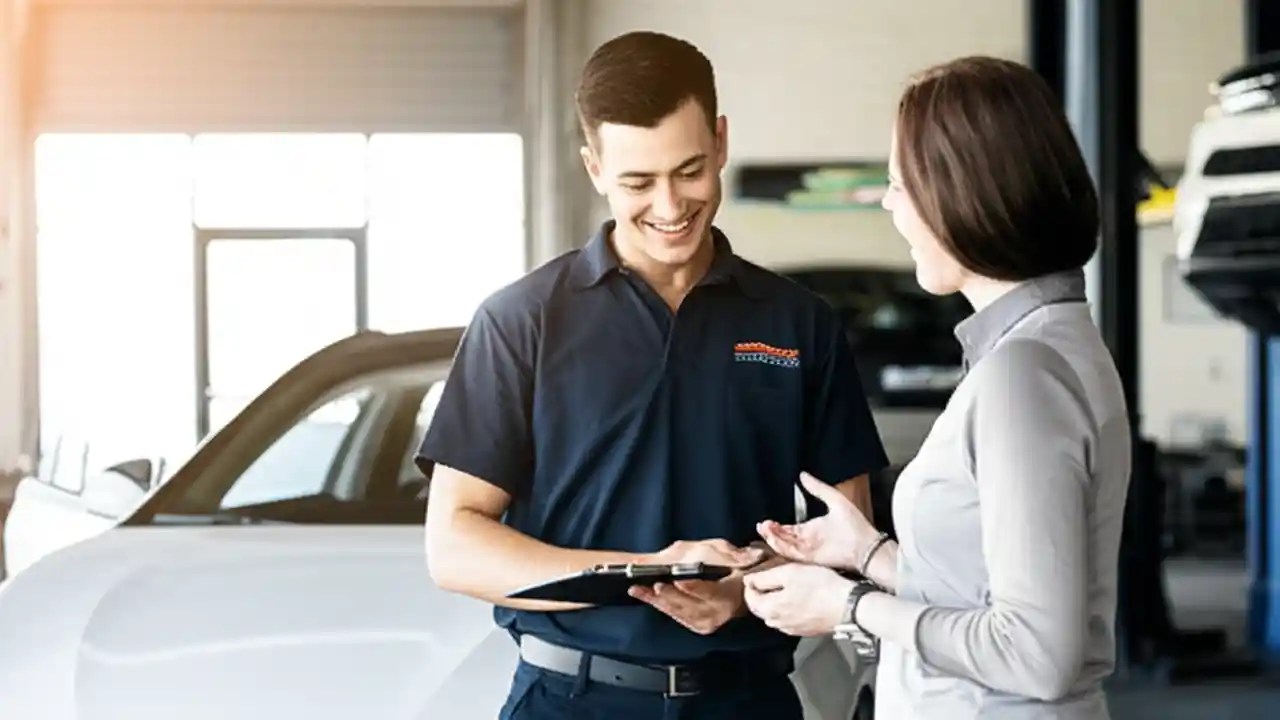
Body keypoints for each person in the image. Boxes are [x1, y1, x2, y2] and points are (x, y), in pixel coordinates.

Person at [416, 30, 889, 720]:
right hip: (568, 701)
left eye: (689, 171)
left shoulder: (799, 323)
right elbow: (456, 548)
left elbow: (850, 532)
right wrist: (642, 572)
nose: (670, 208)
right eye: (638, 183)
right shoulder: (521, 321)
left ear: (720, 142)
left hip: (747, 701)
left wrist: (744, 591)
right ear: (594, 168)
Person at [743, 56, 1133, 719]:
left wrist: (848, 605)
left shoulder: (1024, 375)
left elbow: (1036, 653)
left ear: (962, 192)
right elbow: (982, 592)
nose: (890, 204)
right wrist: (867, 552)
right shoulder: (1044, 346)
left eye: (899, 183)